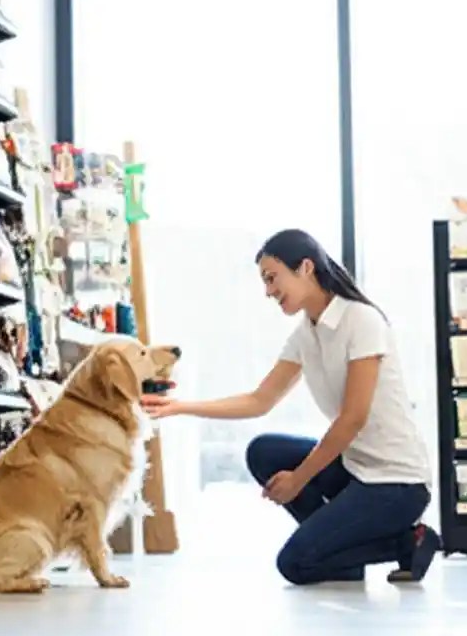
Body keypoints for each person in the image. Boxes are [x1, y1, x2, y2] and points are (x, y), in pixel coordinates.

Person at [140, 228, 441, 585]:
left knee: (295, 565)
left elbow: (353, 419)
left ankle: (408, 540)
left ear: (306, 268)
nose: (268, 291)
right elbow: (258, 400)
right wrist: (179, 407)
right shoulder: (306, 335)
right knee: (264, 452)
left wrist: (300, 479)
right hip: (357, 470)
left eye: (272, 278)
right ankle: (340, 554)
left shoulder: (362, 321)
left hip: (397, 484)